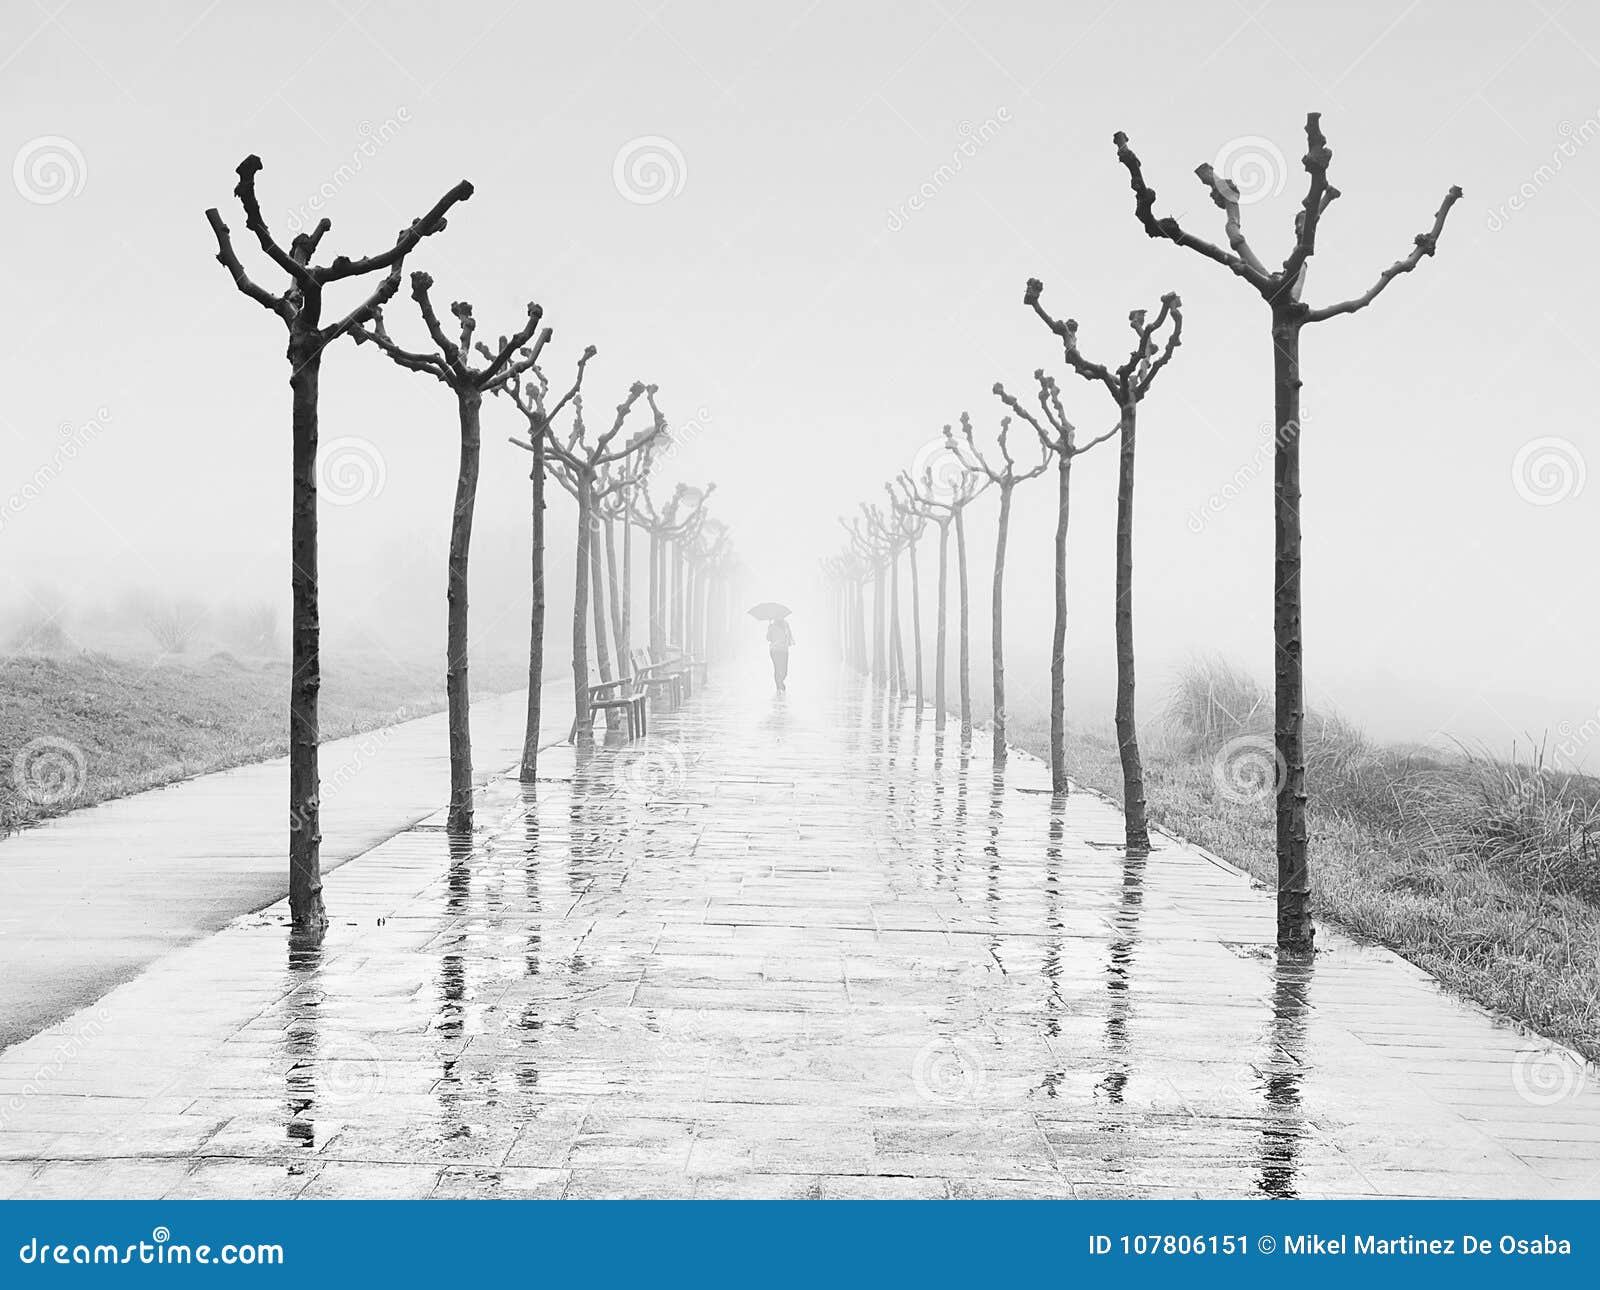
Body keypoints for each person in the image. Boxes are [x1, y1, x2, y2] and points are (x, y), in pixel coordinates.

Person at [766, 615, 794, 692]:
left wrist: (787, 634)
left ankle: (780, 682)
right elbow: (768, 638)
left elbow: (789, 637)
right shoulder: (772, 626)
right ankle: (778, 686)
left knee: (784, 671)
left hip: (784, 650)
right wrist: (769, 629)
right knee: (777, 668)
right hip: (774, 650)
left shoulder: (786, 625)